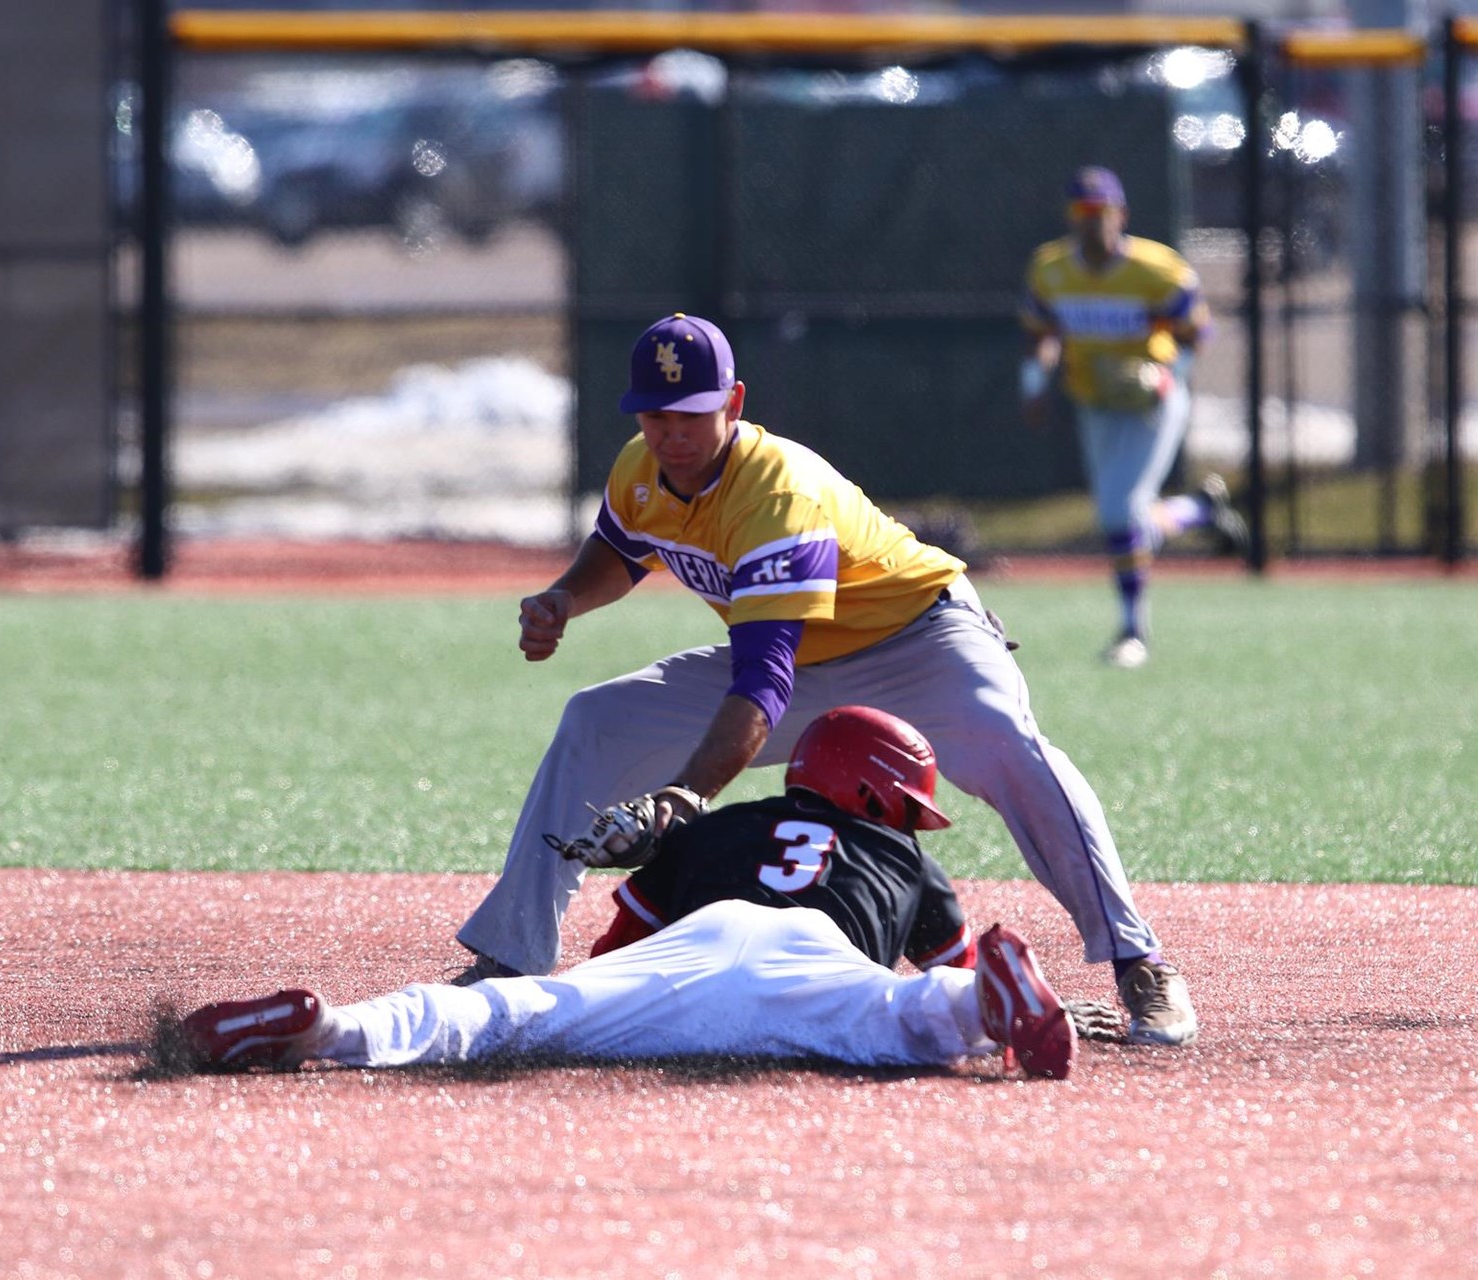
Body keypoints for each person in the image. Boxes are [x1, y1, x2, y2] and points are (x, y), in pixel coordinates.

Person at [452, 309, 1198, 1048]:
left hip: (918, 642)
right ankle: (509, 958)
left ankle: (1139, 962)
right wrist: (566, 598)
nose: (672, 434)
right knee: (597, 721)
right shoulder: (639, 467)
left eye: (692, 414)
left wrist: (687, 795)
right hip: (801, 658)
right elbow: (621, 548)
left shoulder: (778, 495)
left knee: (1009, 746)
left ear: (733, 403)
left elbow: (762, 681)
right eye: (655, 416)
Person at [176, 708, 1105, 1078]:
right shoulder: (907, 862)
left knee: (514, 1012)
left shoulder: (717, 825)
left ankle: (332, 1028)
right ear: (873, 795)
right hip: (821, 961)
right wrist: (979, 989)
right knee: (921, 1016)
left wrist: (623, 996)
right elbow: (952, 958)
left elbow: (617, 949)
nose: (910, 823)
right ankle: (989, 1006)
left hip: (693, 945)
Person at [1019, 165, 1247, 669]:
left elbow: (1197, 335)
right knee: (1129, 515)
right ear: (1070, 217)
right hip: (1094, 402)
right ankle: (1199, 511)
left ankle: (1132, 631)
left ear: (1120, 214)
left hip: (1152, 404)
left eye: (1100, 211)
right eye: (1082, 211)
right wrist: (1033, 385)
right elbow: (1042, 333)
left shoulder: (1157, 269)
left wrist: (1169, 376)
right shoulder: (1051, 269)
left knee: (1118, 513)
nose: (1091, 221)